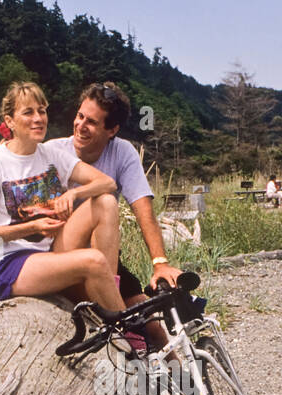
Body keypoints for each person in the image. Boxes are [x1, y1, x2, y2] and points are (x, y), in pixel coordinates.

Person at [0, 81, 123, 310]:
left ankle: (108, 296)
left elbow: (107, 183)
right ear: (9, 121)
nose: (38, 118)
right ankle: (124, 327)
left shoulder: (51, 155)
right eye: (28, 112)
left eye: (42, 110)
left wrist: (75, 192)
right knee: (93, 260)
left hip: (49, 251)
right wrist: (33, 227)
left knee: (106, 202)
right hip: (7, 262)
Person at [51, 81, 184, 305]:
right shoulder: (54, 151)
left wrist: (160, 262)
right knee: (104, 201)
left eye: (91, 122)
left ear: (111, 130)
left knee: (149, 322)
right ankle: (109, 307)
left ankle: (112, 302)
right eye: (80, 116)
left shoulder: (122, 152)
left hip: (102, 253)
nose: (80, 126)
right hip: (62, 253)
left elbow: (143, 208)